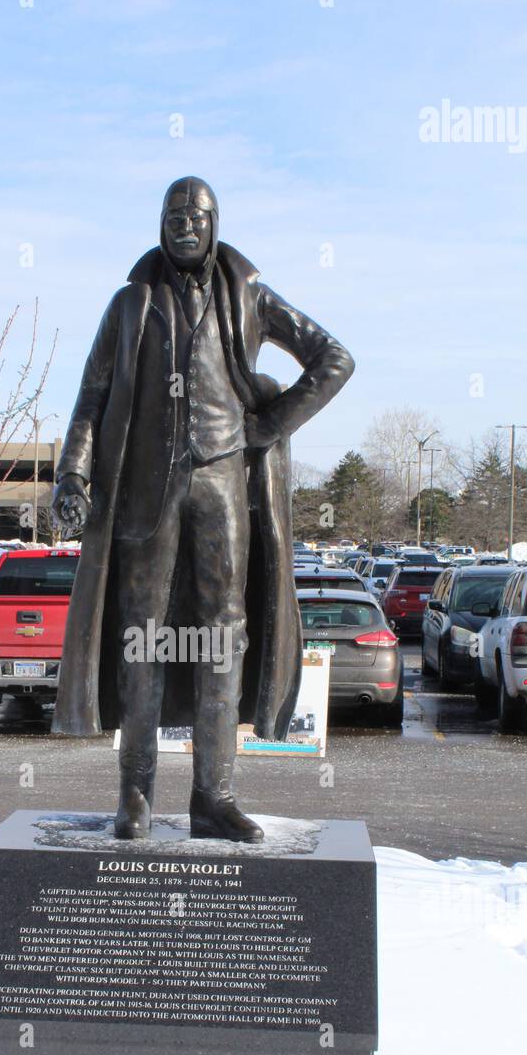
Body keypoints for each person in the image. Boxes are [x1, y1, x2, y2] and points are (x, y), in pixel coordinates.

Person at [51, 177, 354, 841]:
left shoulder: (247, 294)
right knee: (143, 642)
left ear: (215, 223)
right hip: (144, 500)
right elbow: (90, 400)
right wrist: (72, 474)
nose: (183, 225)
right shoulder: (130, 303)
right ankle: (135, 798)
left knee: (225, 640)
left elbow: (334, 359)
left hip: (222, 490)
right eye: (172, 215)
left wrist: (269, 424)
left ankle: (213, 799)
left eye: (195, 215)